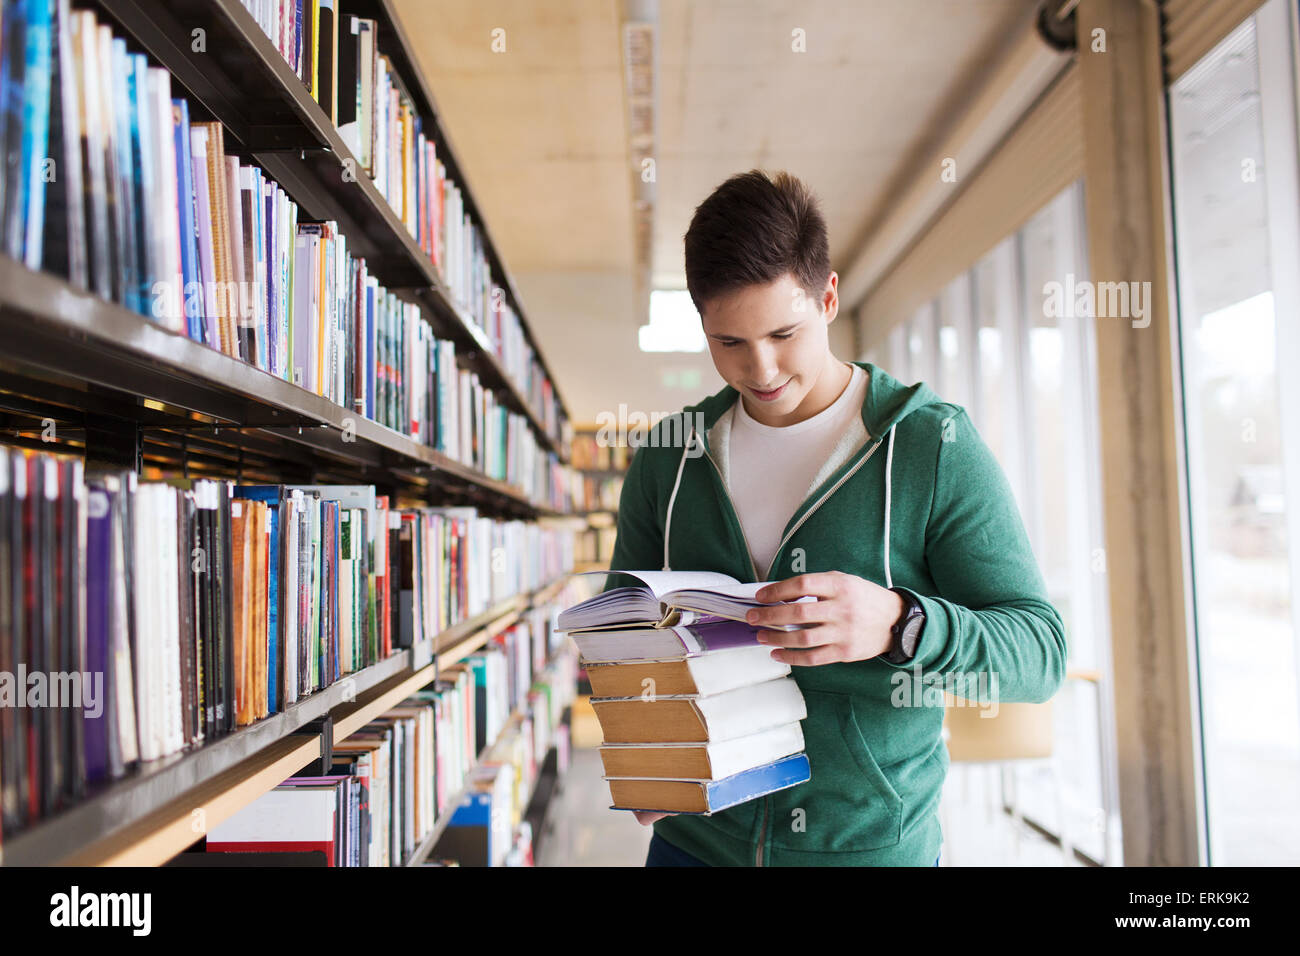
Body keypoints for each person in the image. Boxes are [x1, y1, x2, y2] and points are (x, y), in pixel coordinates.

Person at [604, 169, 1066, 867]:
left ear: (828, 297)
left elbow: (1039, 653)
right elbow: (624, 631)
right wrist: (645, 740)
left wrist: (900, 623)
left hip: (863, 849)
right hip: (693, 845)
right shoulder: (668, 456)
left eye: (784, 332)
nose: (761, 369)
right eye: (728, 342)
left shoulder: (929, 446)